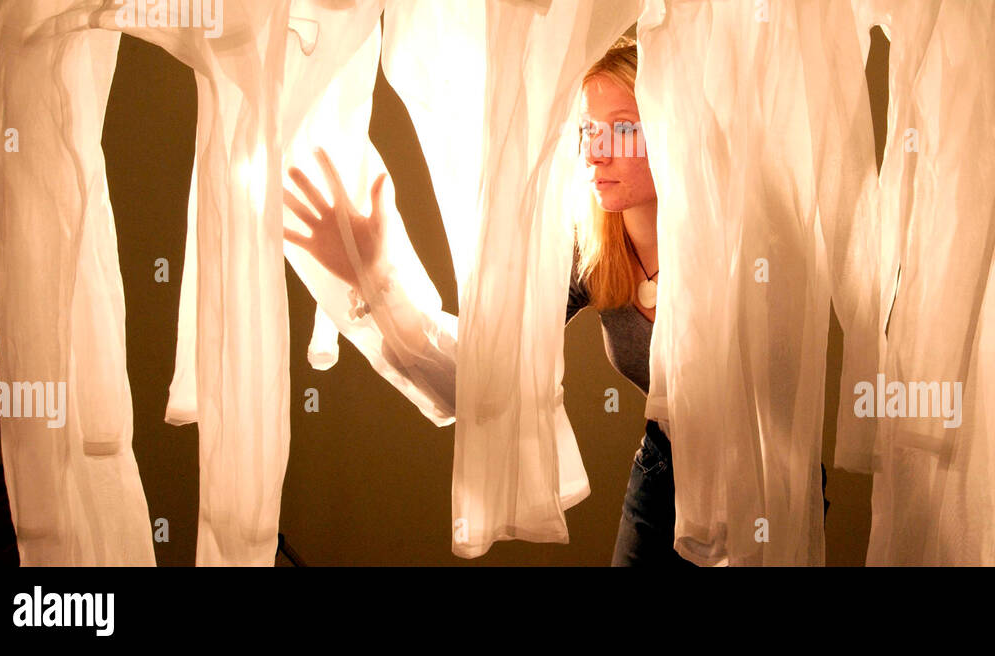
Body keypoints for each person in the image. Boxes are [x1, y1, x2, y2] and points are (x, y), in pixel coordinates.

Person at [284, 35, 826, 565]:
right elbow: (487, 372)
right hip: (666, 466)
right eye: (588, 129)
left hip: (767, 469)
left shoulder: (742, 240)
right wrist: (376, 281)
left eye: (622, 128)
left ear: (674, 129)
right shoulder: (589, 248)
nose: (594, 151)